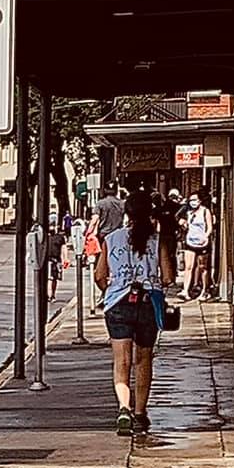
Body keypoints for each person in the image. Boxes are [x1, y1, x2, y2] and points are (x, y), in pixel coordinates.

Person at [94, 187, 164, 437]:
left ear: (128, 213)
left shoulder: (111, 239)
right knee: (144, 360)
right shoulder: (158, 241)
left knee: (121, 361)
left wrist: (111, 290)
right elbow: (167, 276)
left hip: (118, 304)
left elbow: (100, 276)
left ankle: (124, 407)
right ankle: (141, 413)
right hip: (147, 303)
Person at [183, 190, 216, 302]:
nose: (193, 202)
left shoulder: (205, 212)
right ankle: (185, 290)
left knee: (202, 267)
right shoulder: (188, 212)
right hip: (190, 241)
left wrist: (205, 237)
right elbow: (183, 223)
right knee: (188, 267)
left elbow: (210, 226)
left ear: (200, 201)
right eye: (191, 200)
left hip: (202, 243)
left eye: (195, 200)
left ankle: (204, 291)